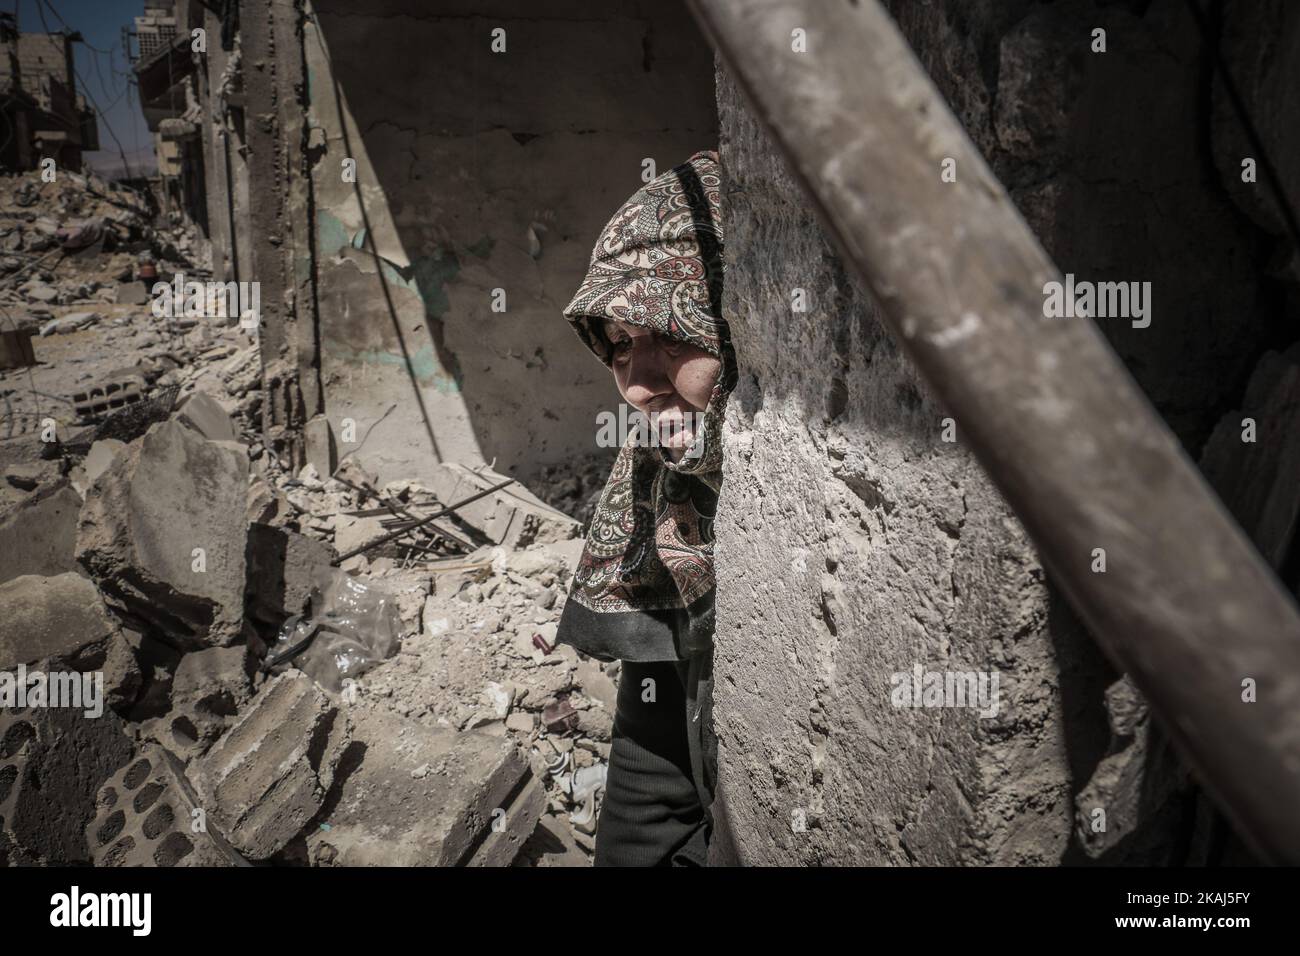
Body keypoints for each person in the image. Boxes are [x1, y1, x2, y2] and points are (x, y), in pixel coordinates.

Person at [556, 150, 735, 866]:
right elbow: (647, 794)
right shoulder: (667, 504)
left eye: (675, 331)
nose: (637, 385)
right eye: (623, 345)